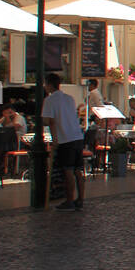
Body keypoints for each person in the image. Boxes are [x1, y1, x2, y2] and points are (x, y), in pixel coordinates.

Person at [41, 73, 85, 211]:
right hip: (77, 136)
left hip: (65, 138)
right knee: (78, 170)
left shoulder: (49, 100)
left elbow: (49, 121)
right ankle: (80, 198)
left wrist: (54, 141)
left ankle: (70, 200)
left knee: (68, 170)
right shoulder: (69, 98)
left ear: (49, 85)